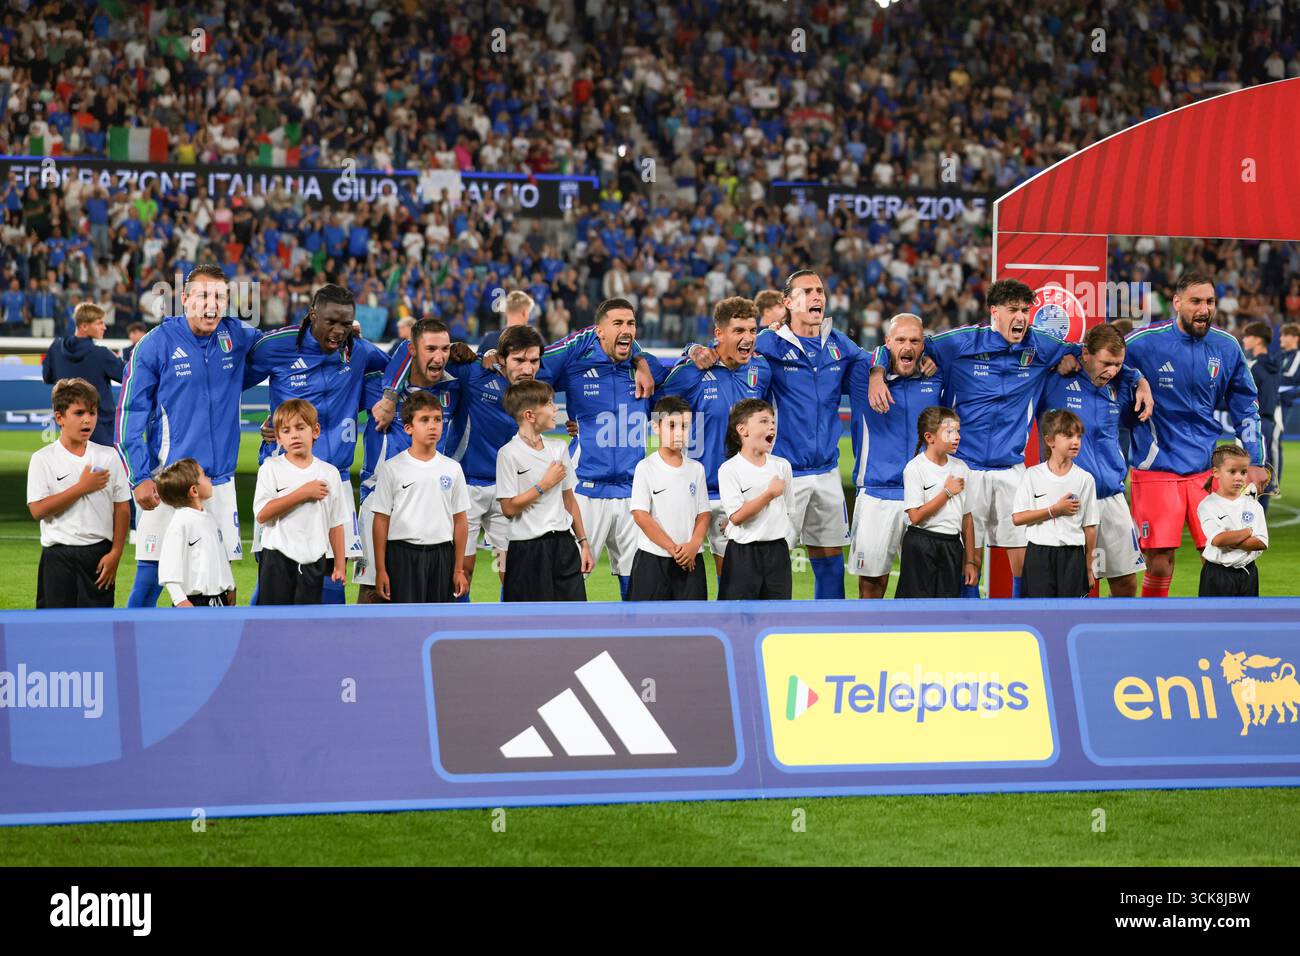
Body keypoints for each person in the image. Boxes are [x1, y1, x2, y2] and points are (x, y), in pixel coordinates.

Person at [869, 278, 1150, 598]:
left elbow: (1095, 356)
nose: (1021, 317)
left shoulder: (1041, 345)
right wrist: (878, 372)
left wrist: (1137, 379)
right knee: (964, 556)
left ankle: (1021, 626)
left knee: (1025, 559)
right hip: (966, 468)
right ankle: (968, 630)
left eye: (1025, 310)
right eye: (1013, 310)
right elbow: (904, 344)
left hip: (1010, 470)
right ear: (994, 312)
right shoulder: (961, 341)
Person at [689, 271, 864, 599]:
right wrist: (692, 348)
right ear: (788, 303)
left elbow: (871, 361)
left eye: (820, 291)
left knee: (829, 561)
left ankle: (828, 632)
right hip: (785, 472)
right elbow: (722, 348)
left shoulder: (839, 342)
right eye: (807, 291)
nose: (817, 297)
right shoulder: (767, 342)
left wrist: (880, 371)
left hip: (826, 471)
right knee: (767, 559)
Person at [116, 264, 260, 608]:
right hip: (166, 484)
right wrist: (138, 477)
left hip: (218, 484)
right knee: (150, 580)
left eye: (220, 297)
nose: (211, 305)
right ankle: (134, 658)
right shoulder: (154, 345)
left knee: (222, 585)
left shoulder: (237, 336)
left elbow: (284, 347)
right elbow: (129, 415)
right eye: (203, 296)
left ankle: (221, 658)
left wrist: (323, 334)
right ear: (184, 299)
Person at [244, 283, 390, 603]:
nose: (339, 331)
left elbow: (399, 366)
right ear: (313, 316)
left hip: (333, 477)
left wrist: (389, 397)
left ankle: (327, 649)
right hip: (284, 472)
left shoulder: (358, 350)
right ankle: (255, 642)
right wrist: (271, 422)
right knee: (275, 570)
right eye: (331, 322)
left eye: (345, 323)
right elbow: (229, 380)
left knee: (333, 576)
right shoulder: (277, 345)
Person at [1123, 272, 1267, 596]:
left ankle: (1219, 629)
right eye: (1196, 301)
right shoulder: (1144, 342)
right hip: (1157, 468)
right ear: (1177, 303)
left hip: (1205, 468)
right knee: (1159, 560)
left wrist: (1255, 461)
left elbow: (1247, 406)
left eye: (1210, 302)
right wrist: (1137, 380)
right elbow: (1103, 359)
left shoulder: (1226, 347)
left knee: (1222, 554)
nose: (1204, 309)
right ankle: (1152, 628)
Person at [541, 298, 666, 600]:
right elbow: (531, 366)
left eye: (631, 323)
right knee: (570, 579)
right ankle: (567, 644)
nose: (626, 329)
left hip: (632, 493)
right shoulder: (575, 363)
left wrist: (683, 353)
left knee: (639, 584)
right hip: (585, 489)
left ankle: (635, 643)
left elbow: (686, 369)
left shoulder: (647, 369)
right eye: (618, 323)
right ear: (599, 330)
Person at [355, 318, 466, 602]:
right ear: (413, 350)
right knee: (374, 592)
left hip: (432, 503)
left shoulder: (453, 389)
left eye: (445, 349)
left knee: (437, 590)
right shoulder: (376, 387)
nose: (439, 357)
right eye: (430, 348)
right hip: (380, 499)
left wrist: (488, 355)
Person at [661, 296, 771, 575]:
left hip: (737, 492)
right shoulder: (691, 372)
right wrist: (691, 351)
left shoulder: (761, 369)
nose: (748, 338)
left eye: (752, 330)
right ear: (718, 334)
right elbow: (656, 411)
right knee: (682, 573)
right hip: (694, 489)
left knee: (733, 577)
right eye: (739, 331)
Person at [1038, 324, 1145, 596]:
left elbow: (1130, 375)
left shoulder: (1119, 385)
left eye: (1118, 364)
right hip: (1068, 501)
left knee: (1125, 582)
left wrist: (1139, 380)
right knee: (1071, 585)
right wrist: (1067, 354)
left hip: (1111, 497)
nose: (1112, 371)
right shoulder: (1054, 379)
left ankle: (1118, 638)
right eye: (1106, 363)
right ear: (1085, 353)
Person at [846, 313, 942, 598]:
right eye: (900, 339)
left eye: (915, 340)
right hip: (878, 495)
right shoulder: (861, 376)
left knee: (926, 586)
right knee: (872, 585)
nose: (907, 346)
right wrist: (876, 371)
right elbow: (851, 349)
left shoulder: (937, 376)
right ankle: (867, 640)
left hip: (925, 495)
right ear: (887, 343)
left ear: (924, 345)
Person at [26, 378, 129, 608]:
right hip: (57, 557)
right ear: (59, 417)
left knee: (97, 630)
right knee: (54, 629)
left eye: (92, 413)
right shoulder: (43, 459)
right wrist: (82, 487)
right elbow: (38, 510)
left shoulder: (108, 456)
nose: (87, 420)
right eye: (79, 412)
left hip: (99, 556)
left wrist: (116, 553)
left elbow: (121, 508)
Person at [495, 380, 593, 602]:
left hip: (564, 545)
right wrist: (544, 485)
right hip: (526, 550)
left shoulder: (558, 448)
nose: (555, 408)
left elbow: (569, 499)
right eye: (549, 403)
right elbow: (508, 508)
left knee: (573, 620)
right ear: (530, 415)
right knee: (530, 625)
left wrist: (583, 543)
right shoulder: (508, 453)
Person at [371, 390, 470, 604]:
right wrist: (380, 570)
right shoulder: (392, 468)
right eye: (424, 420)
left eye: (437, 419)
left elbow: (460, 520)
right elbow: (381, 520)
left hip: (442, 554)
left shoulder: (452, 469)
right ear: (408, 428)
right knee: (404, 623)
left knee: (438, 621)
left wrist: (458, 568)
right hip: (402, 555)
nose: (433, 425)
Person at [252, 399, 348, 605]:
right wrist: (302, 493)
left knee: (306, 625)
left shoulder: (329, 473)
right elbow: (262, 514)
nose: (294, 435)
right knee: (274, 623)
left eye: (300, 427)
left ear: (315, 431)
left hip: (315, 559)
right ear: (278, 437)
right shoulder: (270, 468)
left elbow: (336, 522)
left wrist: (340, 564)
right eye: (286, 431)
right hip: (277, 558)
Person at [628, 395, 710, 600]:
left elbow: (704, 513)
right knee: (649, 624)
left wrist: (693, 545)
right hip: (654, 559)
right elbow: (641, 515)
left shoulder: (696, 469)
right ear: (656, 427)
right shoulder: (645, 467)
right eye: (672, 426)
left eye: (684, 426)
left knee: (692, 622)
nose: (679, 433)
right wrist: (673, 549)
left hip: (691, 558)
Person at [1011, 409, 1099, 598]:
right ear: (1050, 441)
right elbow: (1018, 518)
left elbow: (1090, 528)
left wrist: (1090, 568)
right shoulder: (1032, 475)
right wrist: (1054, 510)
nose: (1075, 441)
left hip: (1073, 557)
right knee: (1039, 615)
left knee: (1071, 615)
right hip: (1039, 555)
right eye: (1068, 436)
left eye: (1078, 436)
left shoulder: (1085, 479)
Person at [716, 398, 796, 600]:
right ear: (743, 430)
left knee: (777, 618)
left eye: (773, 422)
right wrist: (769, 494)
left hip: (777, 553)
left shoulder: (782, 466)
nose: (771, 427)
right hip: (743, 555)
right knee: (738, 617)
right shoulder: (729, 469)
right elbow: (736, 518)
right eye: (763, 421)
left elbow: (787, 510)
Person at [897, 406, 975, 599]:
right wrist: (947, 492)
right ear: (930, 438)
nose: (956, 437)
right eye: (949, 432)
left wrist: (970, 561)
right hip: (920, 544)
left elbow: (967, 518)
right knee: (915, 608)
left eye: (958, 431)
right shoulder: (915, 468)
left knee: (947, 609)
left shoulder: (961, 468)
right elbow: (915, 516)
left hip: (951, 545)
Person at [155, 458, 236, 608]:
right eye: (204, 475)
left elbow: (219, 558)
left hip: (219, 599)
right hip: (193, 602)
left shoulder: (210, 518)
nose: (209, 478)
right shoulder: (180, 523)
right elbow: (168, 568)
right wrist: (180, 600)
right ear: (194, 490)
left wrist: (230, 586)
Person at [41, 303, 123, 447]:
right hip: (99, 427)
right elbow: (130, 376)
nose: (104, 327)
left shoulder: (56, 348)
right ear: (84, 326)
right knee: (104, 469)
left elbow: (47, 377)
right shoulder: (101, 354)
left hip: (68, 425)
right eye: (99, 323)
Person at [1196, 445, 1267, 597]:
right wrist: (1248, 532)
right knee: (1213, 619)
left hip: (1248, 574)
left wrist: (1229, 537)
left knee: (1247, 619)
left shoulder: (1253, 506)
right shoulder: (1208, 505)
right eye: (1232, 471)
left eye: (1243, 472)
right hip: (1217, 575)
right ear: (1216, 472)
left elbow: (1261, 543)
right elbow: (1217, 539)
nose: (1239, 477)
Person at [1241, 321, 1282, 512]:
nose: (1244, 340)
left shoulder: (1255, 367)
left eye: (1248, 336)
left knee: (1251, 475)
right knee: (1261, 475)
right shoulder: (1274, 364)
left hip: (1255, 423)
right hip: (1268, 421)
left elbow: (1244, 397)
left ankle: (1253, 520)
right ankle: (1258, 518)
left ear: (1257, 340)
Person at [477, 289, 535, 355]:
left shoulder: (489, 339)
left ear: (506, 312)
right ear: (525, 313)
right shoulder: (534, 341)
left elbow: (475, 363)